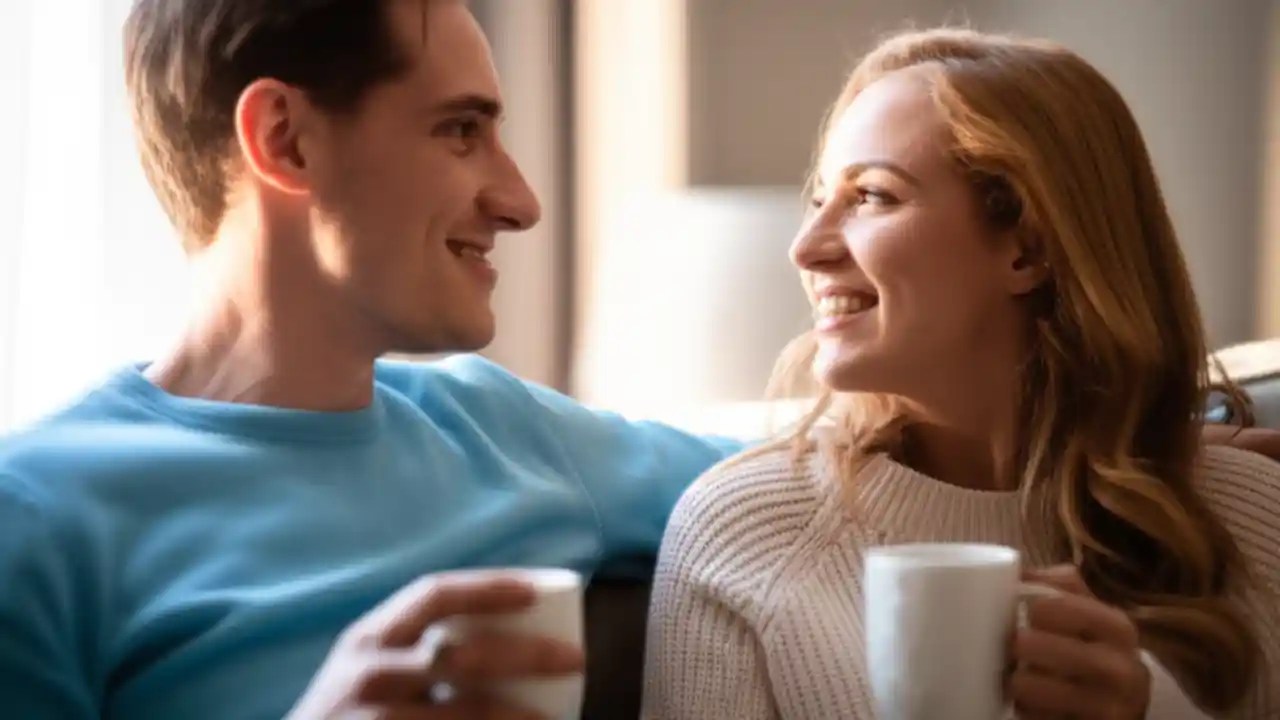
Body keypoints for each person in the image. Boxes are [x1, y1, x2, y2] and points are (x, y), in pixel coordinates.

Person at [0, 3, 1275, 718]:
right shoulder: (40, 517)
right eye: (461, 132)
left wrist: (1155, 431)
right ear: (282, 136)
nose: (519, 199)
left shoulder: (508, 433)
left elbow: (868, 465)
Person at [642, 28, 1280, 720]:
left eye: (873, 197)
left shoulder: (1252, 522)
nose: (807, 247)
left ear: (1028, 249)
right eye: (821, 197)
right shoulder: (739, 533)